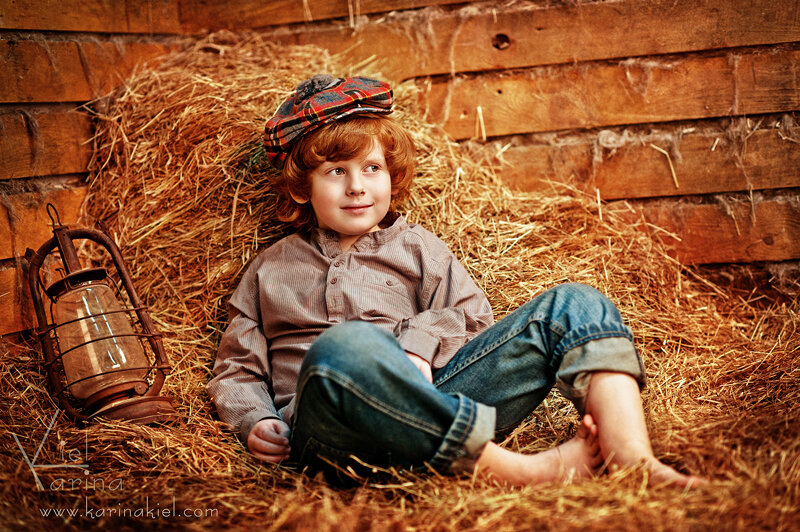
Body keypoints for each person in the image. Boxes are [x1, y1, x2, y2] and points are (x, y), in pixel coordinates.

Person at [208, 74, 701, 487]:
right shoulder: (269, 268)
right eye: (336, 170)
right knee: (347, 346)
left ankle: (633, 458)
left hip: (438, 397)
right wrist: (256, 420)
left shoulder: (419, 249)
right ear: (302, 186)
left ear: (392, 177)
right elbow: (237, 367)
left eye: (372, 168)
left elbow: (473, 319)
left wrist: (419, 346)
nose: (357, 186)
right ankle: (523, 471)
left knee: (575, 304)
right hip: (330, 430)